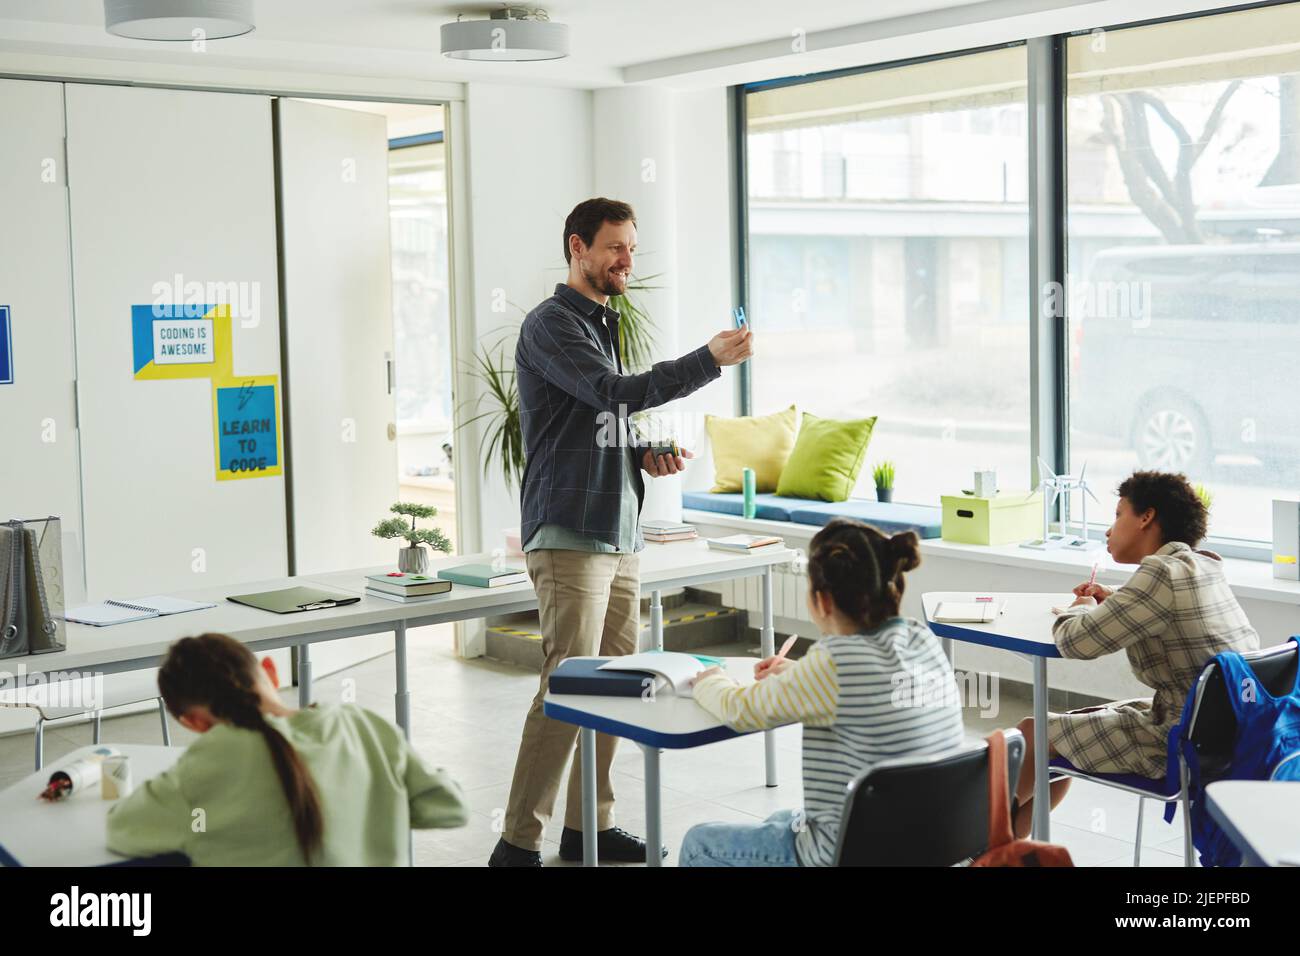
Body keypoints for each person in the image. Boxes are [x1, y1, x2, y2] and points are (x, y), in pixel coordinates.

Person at [488, 197, 753, 867]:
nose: (626, 260)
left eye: (632, 247)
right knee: (566, 684)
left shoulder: (602, 321)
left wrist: (641, 452)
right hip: (570, 532)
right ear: (576, 246)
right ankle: (517, 844)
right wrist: (709, 359)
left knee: (609, 684)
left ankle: (589, 830)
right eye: (614, 247)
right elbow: (612, 391)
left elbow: (597, 416)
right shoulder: (551, 324)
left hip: (617, 530)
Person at [678, 518, 965, 866]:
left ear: (823, 600)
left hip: (850, 855)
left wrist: (709, 679)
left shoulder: (834, 661)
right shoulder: (921, 638)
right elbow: (874, 687)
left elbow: (742, 710)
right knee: (781, 820)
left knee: (699, 844)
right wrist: (799, 674)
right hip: (929, 847)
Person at [1012, 470, 1260, 837]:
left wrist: (1079, 606)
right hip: (1227, 738)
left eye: (1117, 515)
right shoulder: (1204, 564)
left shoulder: (1159, 574)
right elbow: (1167, 612)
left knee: (1032, 735)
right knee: (1053, 741)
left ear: (1146, 517)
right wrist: (1112, 602)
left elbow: (1074, 642)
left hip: (1177, 742)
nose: (1108, 531)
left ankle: (974, 842)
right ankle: (996, 852)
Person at [106, 633, 468, 866]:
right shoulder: (362, 724)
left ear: (192, 723)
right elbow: (450, 808)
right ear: (270, 672)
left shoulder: (205, 763)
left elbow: (123, 829)